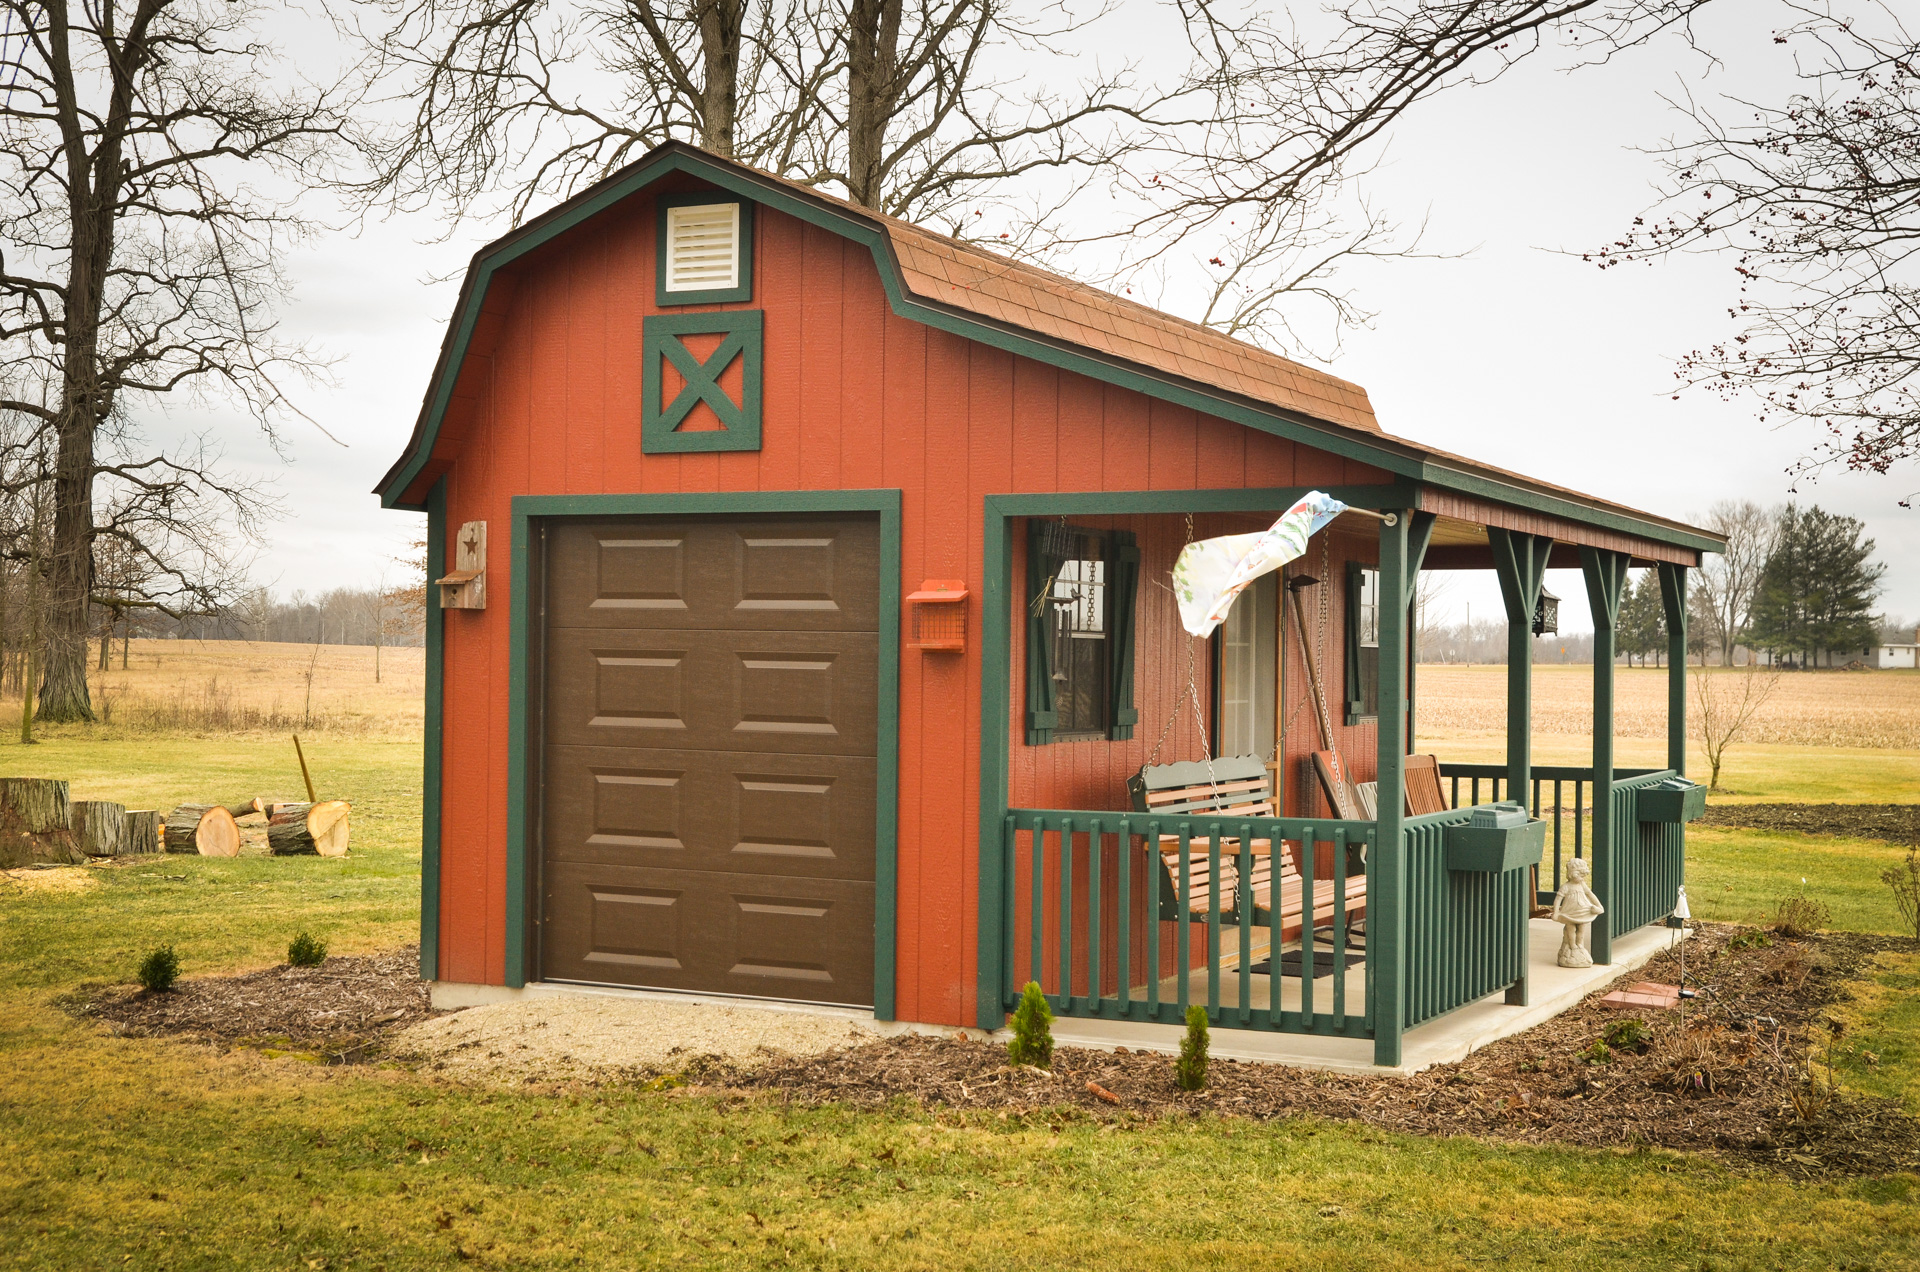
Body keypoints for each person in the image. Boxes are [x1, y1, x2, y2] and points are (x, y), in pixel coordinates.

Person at [1550, 857, 1605, 968]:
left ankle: (1580, 944)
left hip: (1582, 910)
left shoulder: (1582, 885)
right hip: (1570, 912)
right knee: (1571, 928)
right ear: (1571, 874)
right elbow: (1558, 899)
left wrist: (1599, 907)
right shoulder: (1566, 886)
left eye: (1583, 876)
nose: (1582, 879)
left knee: (1581, 928)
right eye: (1580, 876)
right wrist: (1555, 912)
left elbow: (1590, 895)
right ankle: (1572, 945)